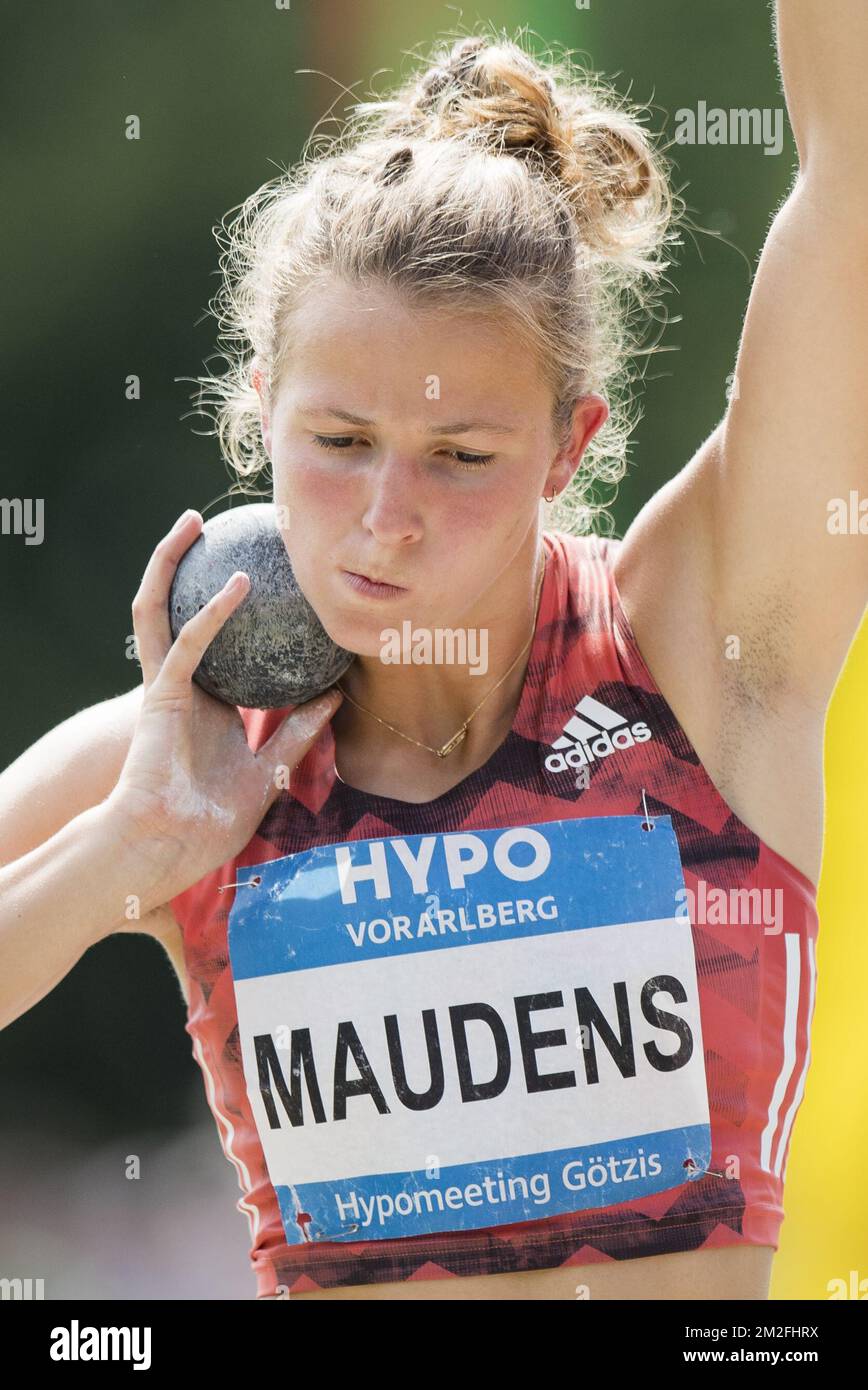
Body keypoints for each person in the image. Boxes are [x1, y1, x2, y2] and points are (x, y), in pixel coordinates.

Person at [1, 14, 866, 1303]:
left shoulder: (704, 647)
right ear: (260, 407)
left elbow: (855, 158)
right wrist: (127, 851)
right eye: (339, 441)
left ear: (570, 448)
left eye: (462, 455)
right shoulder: (180, 767)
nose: (385, 516)